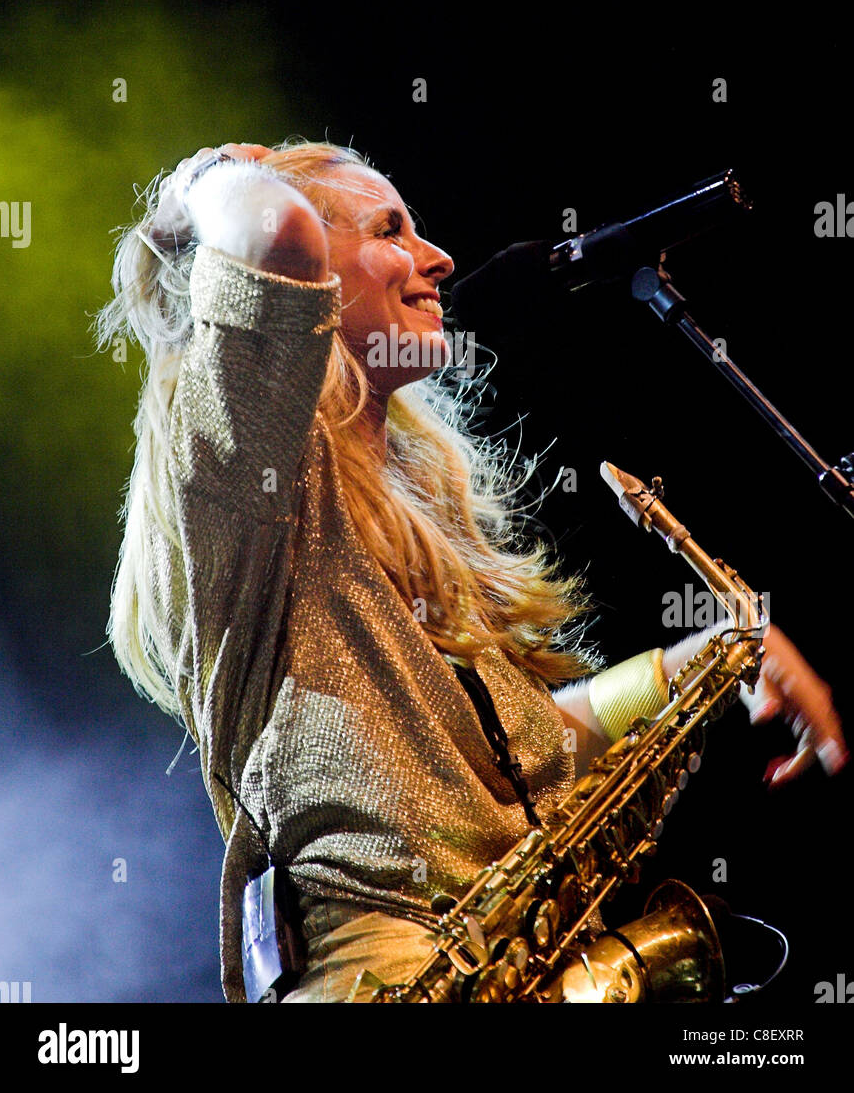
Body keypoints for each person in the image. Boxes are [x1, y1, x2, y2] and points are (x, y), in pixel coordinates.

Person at [97, 138, 848, 1004]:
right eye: (390, 230)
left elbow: (515, 768)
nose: (441, 258)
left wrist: (699, 666)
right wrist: (204, 180)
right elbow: (279, 234)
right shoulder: (237, 468)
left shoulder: (404, 504)